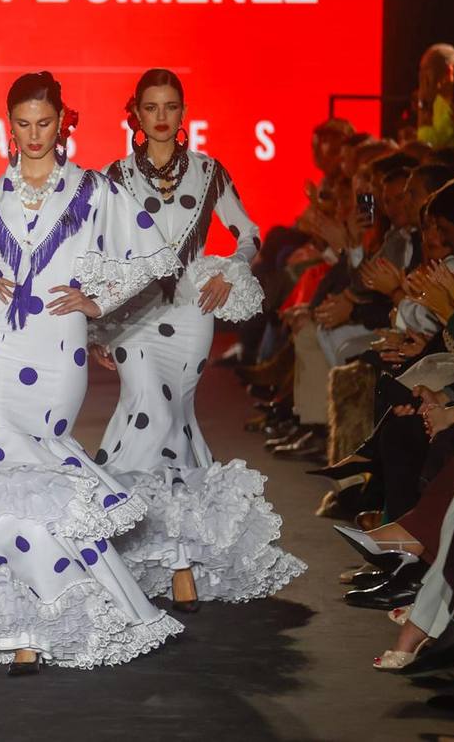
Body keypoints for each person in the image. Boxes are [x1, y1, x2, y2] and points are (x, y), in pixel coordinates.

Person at [0, 71, 183, 675]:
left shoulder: (93, 190)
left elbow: (153, 253)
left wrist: (97, 301)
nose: (34, 135)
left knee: (46, 464)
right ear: (10, 127)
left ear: (64, 123)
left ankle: (46, 609)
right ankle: (16, 625)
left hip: (58, 345)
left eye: (45, 122)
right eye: (23, 124)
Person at [92, 68, 305, 610]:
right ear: (134, 114)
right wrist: (98, 323)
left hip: (190, 315)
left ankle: (110, 539)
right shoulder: (114, 177)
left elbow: (249, 233)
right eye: (151, 107)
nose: (161, 117)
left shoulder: (209, 172)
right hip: (135, 318)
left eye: (170, 107)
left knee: (174, 420)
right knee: (151, 414)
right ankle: (178, 558)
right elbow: (98, 252)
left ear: (182, 113)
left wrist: (227, 271)